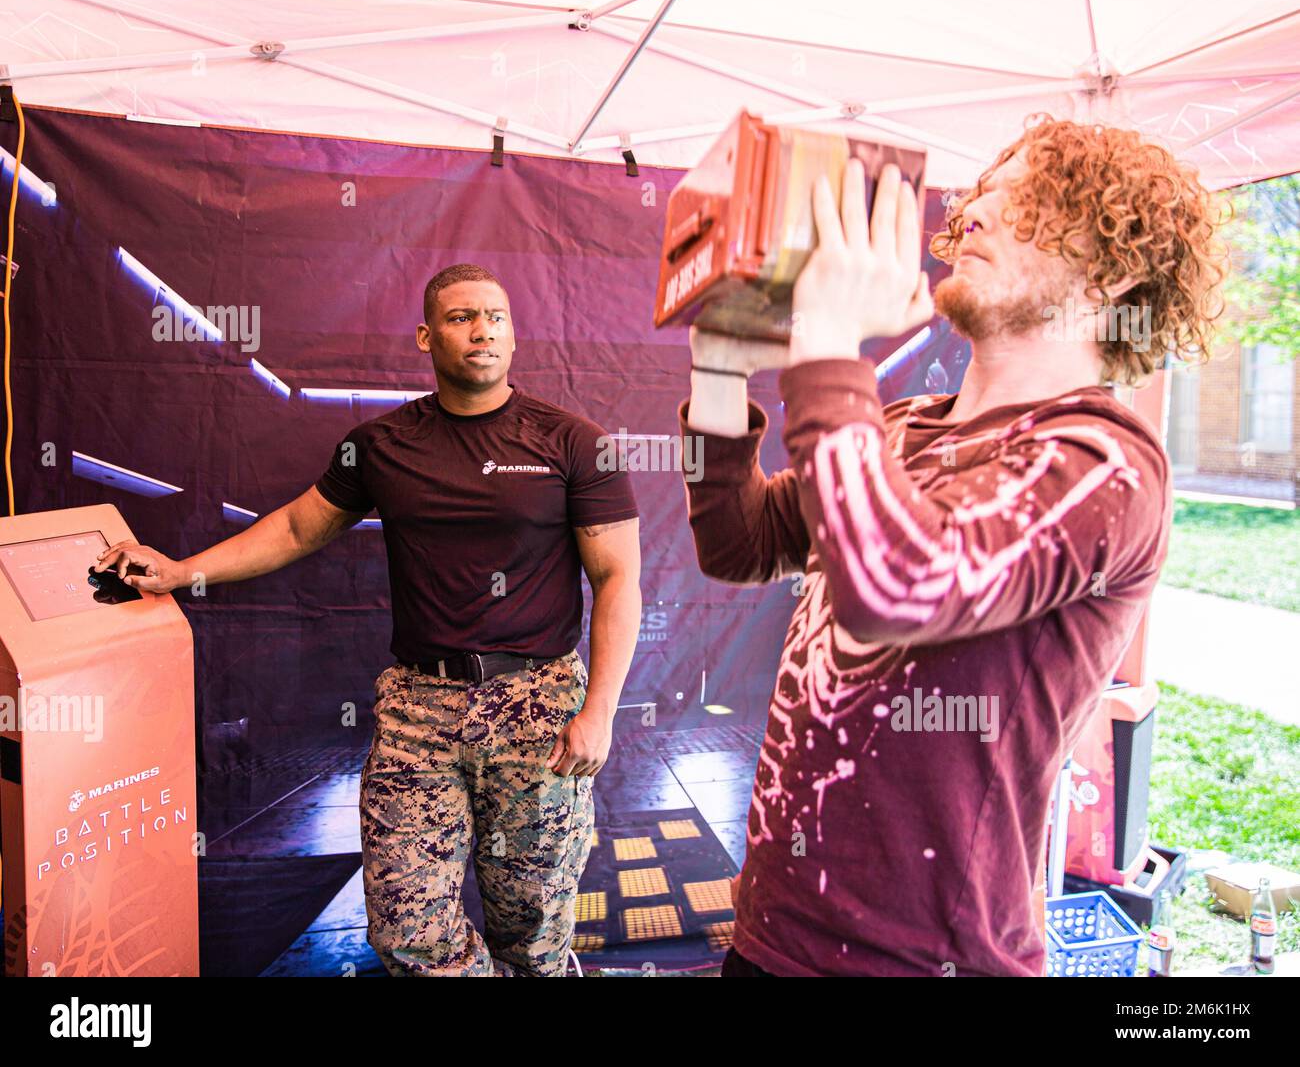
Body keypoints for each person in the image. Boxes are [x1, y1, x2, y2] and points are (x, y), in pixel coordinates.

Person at [679, 115, 1227, 976]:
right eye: (981, 192)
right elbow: (740, 544)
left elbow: (895, 585)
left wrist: (826, 339)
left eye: (1027, 200)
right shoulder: (899, 426)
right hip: (771, 936)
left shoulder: (1106, 463)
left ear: (1115, 271)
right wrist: (716, 370)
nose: (975, 212)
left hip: (922, 961)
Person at [96, 263, 642, 976]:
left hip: (538, 708)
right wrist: (179, 570)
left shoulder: (574, 442)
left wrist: (600, 708)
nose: (483, 330)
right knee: (407, 929)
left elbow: (618, 576)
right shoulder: (382, 444)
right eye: (461, 317)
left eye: (496, 316)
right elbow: (296, 529)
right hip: (420, 709)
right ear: (425, 335)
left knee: (534, 932)